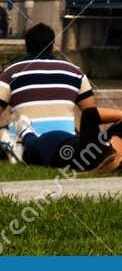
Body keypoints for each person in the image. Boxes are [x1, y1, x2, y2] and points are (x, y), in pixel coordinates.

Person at [0, 23, 102, 167]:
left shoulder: (11, 72)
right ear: (53, 46)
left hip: (24, 140)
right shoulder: (75, 72)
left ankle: (15, 146)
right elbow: (91, 113)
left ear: (26, 46)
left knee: (4, 130)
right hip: (65, 140)